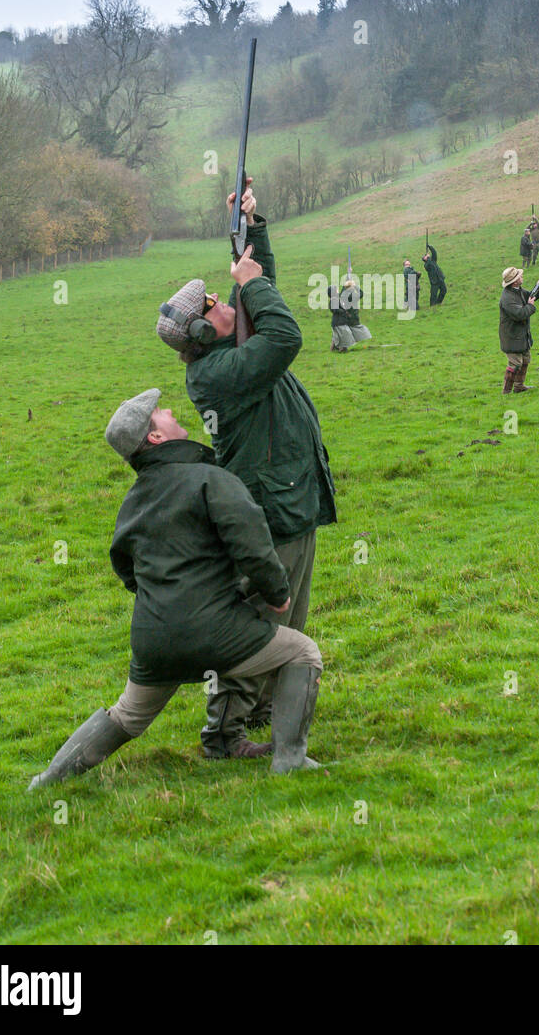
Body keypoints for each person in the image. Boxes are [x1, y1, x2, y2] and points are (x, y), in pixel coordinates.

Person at [28, 390, 323, 789]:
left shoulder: (133, 500)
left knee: (126, 716)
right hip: (217, 634)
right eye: (158, 412)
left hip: (153, 640)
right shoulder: (210, 478)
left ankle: (47, 780)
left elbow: (124, 565)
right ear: (155, 438)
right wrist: (277, 593)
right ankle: (290, 759)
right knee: (302, 651)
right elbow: (253, 545)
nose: (167, 410)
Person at [156, 180, 336, 758]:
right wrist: (252, 285)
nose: (225, 304)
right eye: (213, 305)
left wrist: (250, 229)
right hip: (272, 505)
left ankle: (259, 714)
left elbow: (265, 298)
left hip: (294, 496)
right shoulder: (216, 375)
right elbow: (284, 333)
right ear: (203, 333)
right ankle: (223, 734)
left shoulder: (229, 356)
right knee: (259, 624)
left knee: (292, 617)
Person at [499, 266, 539, 394]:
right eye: (519, 276)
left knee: (525, 359)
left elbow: (531, 296)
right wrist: (530, 306)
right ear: (514, 281)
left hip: (521, 334)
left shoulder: (517, 290)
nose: (522, 277)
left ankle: (519, 386)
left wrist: (538, 287)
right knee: (515, 363)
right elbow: (519, 314)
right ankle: (506, 391)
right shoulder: (507, 298)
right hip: (511, 335)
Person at [328, 274, 372, 351]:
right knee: (345, 335)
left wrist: (348, 279)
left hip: (343, 320)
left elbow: (342, 291)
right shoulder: (350, 297)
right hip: (346, 320)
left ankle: (336, 348)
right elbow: (361, 293)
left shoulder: (342, 296)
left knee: (340, 335)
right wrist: (354, 285)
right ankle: (342, 349)